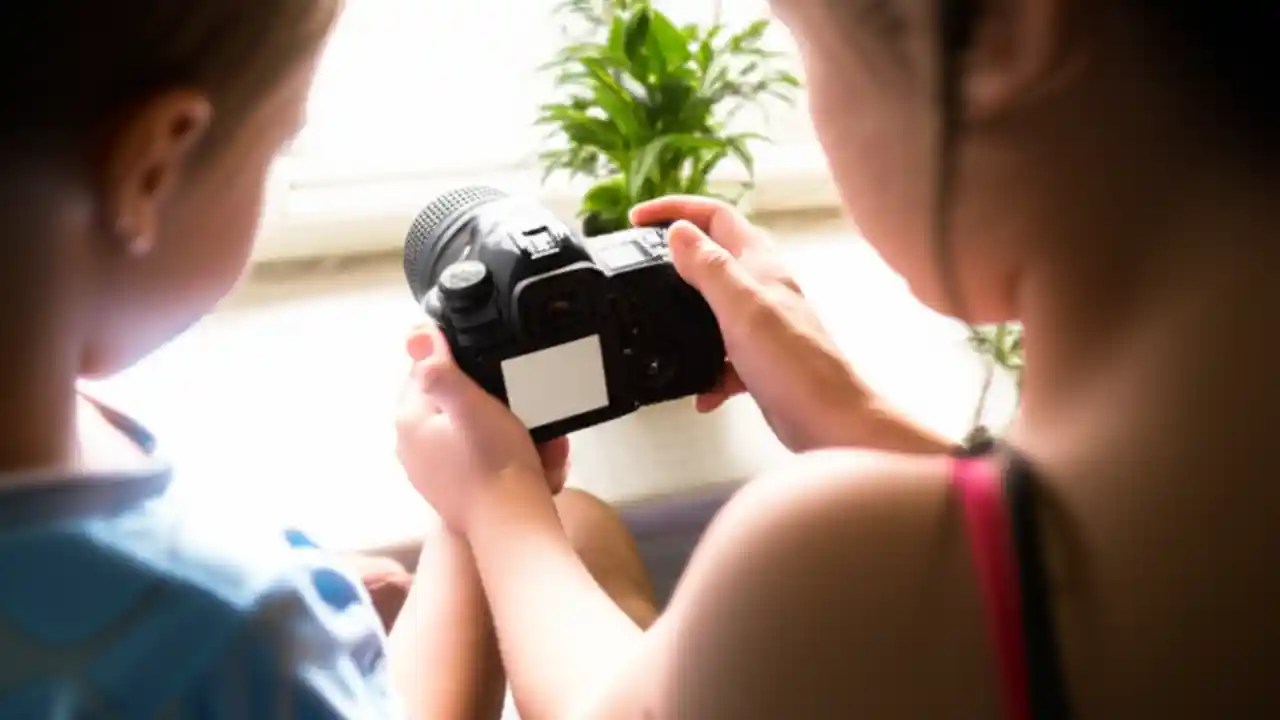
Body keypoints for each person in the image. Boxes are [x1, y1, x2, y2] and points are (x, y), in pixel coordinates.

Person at [396, 0, 1279, 717]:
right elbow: (1048, 570)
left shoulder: (821, 569)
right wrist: (848, 413)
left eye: (804, 40)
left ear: (1001, 28)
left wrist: (497, 498)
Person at [0, 3, 666, 718]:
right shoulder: (230, 633)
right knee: (588, 537)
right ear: (152, 169)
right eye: (276, 147)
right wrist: (475, 505)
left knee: (578, 526)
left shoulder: (73, 429)